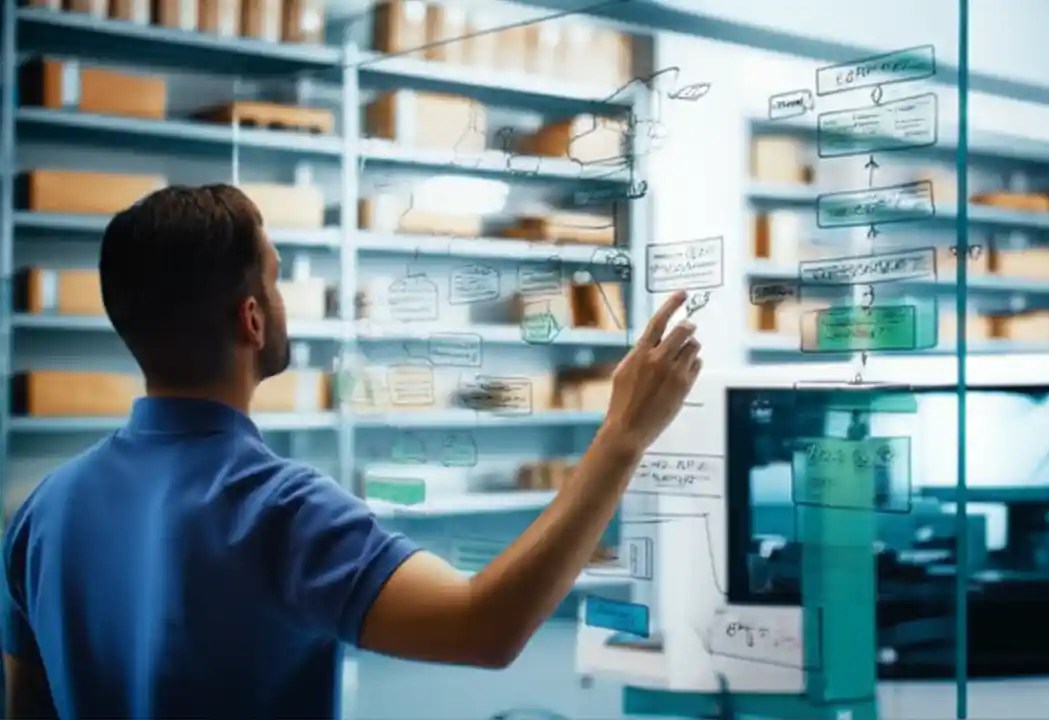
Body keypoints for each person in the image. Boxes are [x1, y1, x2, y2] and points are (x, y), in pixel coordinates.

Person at [1, 184, 702, 718]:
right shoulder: (278, 511)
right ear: (251, 319)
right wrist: (623, 436)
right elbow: (486, 628)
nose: (281, 301)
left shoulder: (42, 513)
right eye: (274, 279)